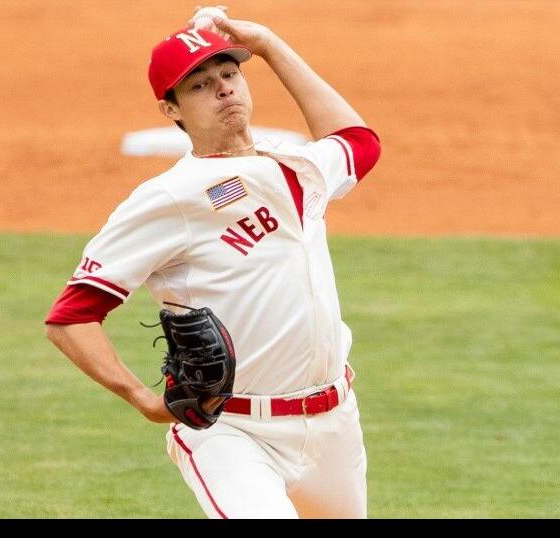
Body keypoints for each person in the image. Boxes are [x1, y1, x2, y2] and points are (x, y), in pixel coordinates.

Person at [44, 12, 381, 519]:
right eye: (200, 85)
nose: (222, 91)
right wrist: (139, 396)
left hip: (334, 423)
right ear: (171, 109)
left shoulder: (298, 167)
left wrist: (268, 44)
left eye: (229, 75)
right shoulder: (168, 198)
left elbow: (359, 143)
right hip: (232, 433)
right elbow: (71, 316)